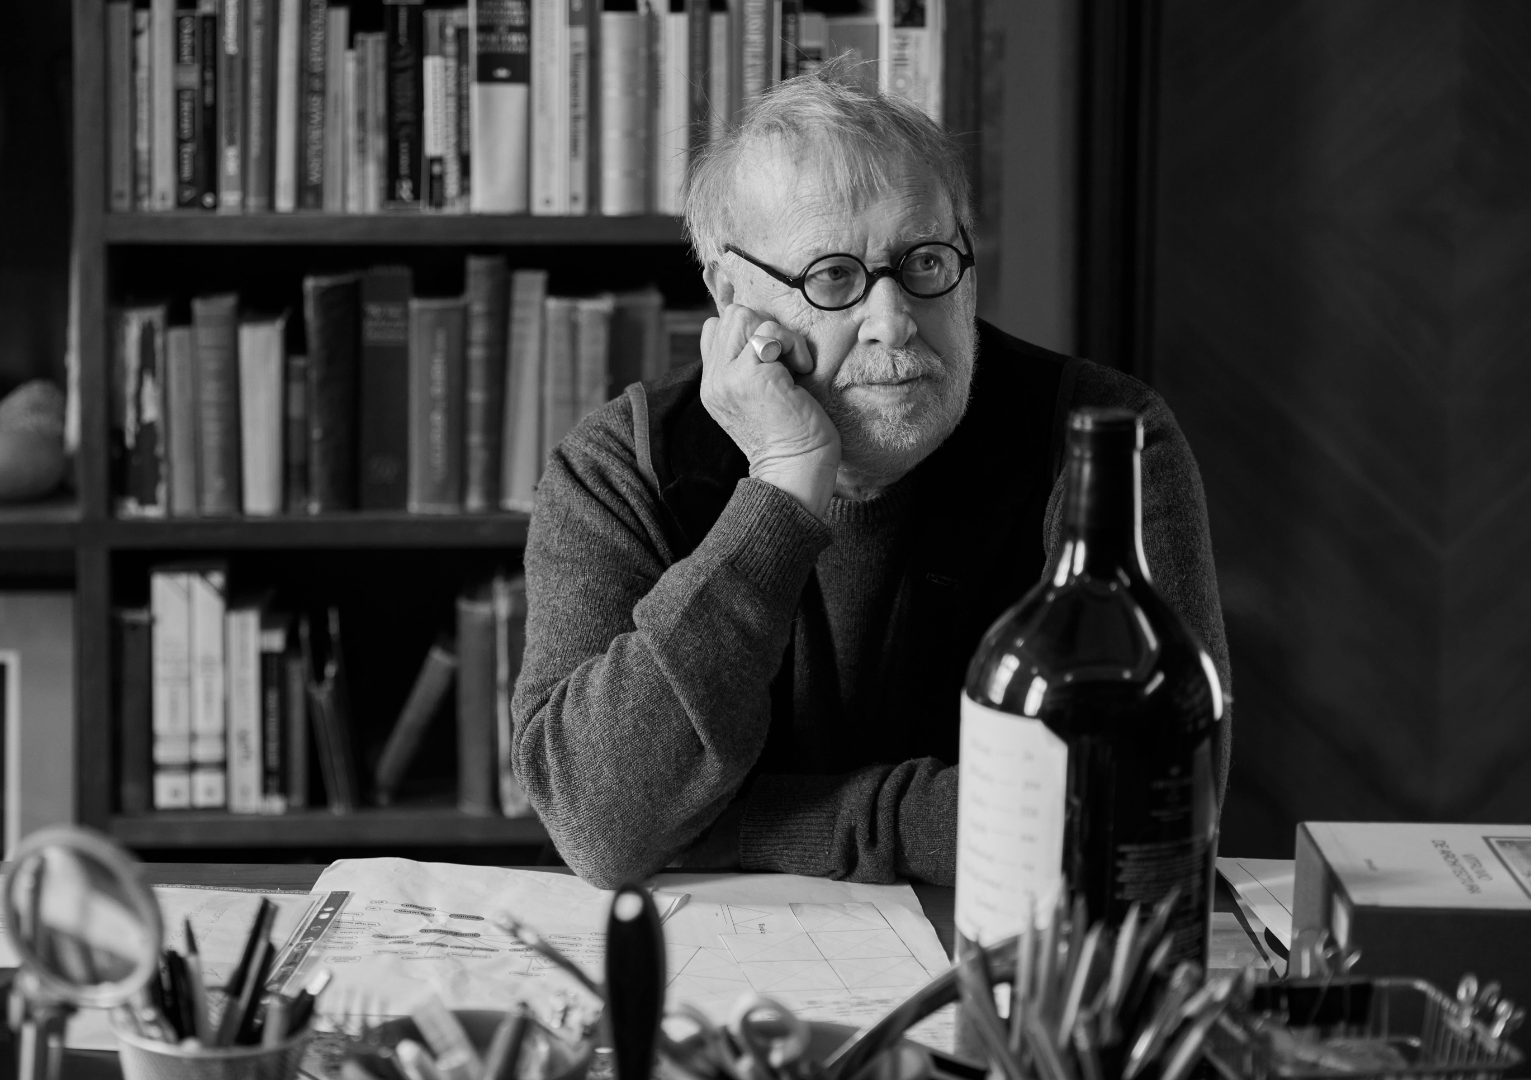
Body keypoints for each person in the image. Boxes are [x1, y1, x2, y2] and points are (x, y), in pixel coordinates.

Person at [512, 65, 1231, 890]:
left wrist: (735, 827)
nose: (893, 320)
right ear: (731, 294)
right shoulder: (619, 467)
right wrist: (782, 488)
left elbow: (1145, 805)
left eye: (924, 261)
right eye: (833, 277)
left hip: (1018, 951)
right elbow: (601, 823)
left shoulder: (1106, 441)